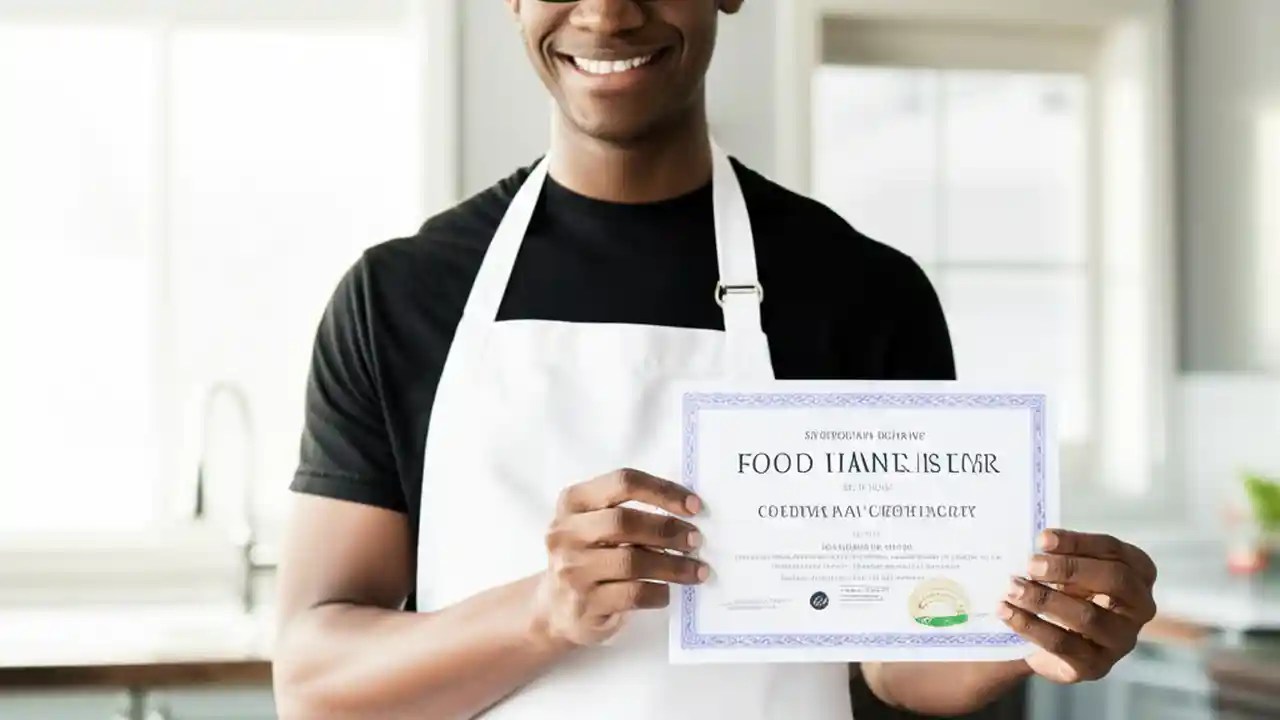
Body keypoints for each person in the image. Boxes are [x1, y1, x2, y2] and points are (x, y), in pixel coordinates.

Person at [272, 1, 1159, 718]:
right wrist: (545, 613)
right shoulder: (399, 298)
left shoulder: (864, 294)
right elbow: (314, 685)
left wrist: (1030, 632)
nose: (609, 14)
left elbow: (898, 661)